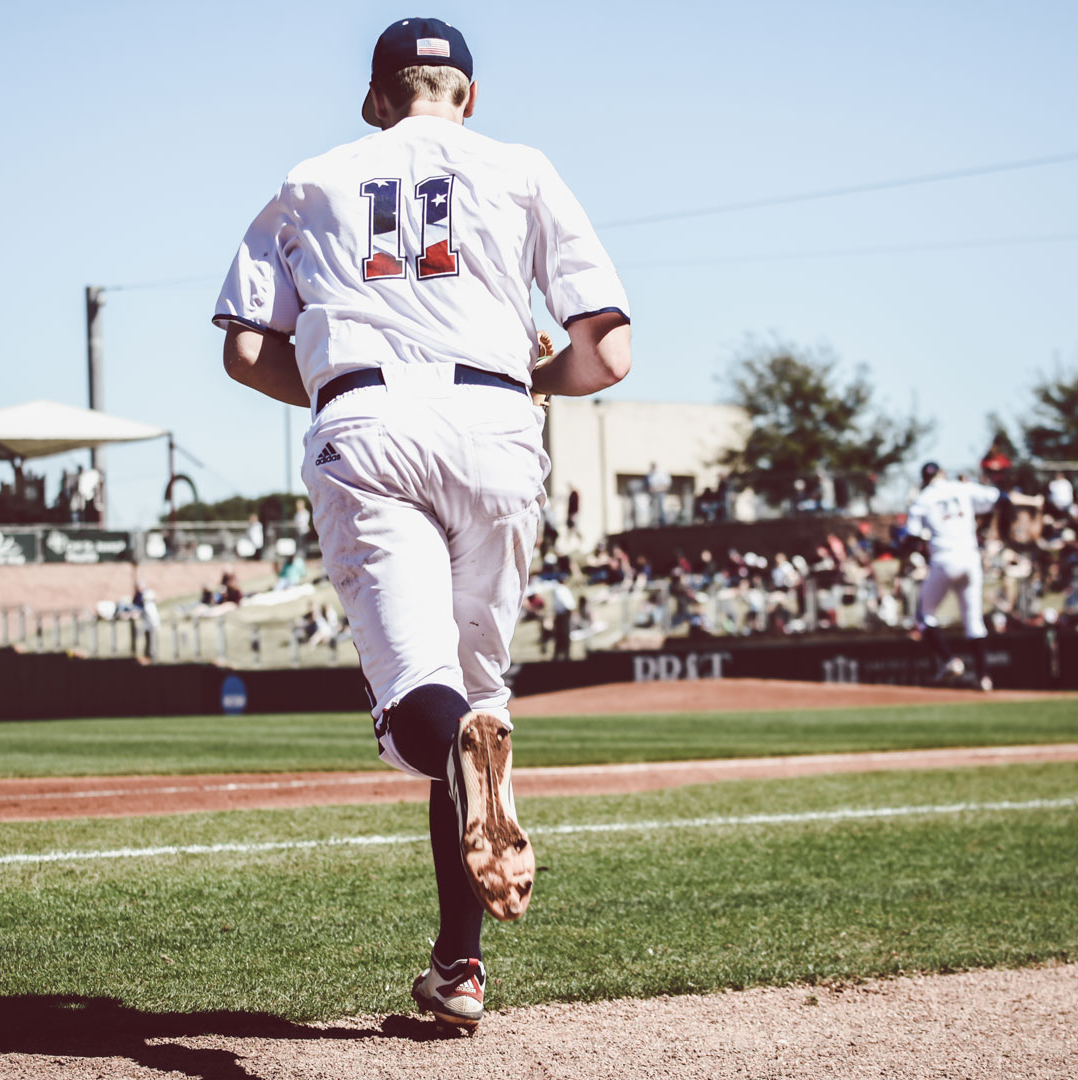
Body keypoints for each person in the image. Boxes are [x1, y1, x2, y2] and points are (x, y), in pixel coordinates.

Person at [211, 15, 631, 1032]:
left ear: (375, 96)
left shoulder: (311, 176)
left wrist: (334, 390)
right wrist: (524, 375)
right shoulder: (523, 167)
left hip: (365, 416)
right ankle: (459, 970)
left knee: (420, 699)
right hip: (494, 421)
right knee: (475, 697)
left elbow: (241, 351)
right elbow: (608, 354)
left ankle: (458, 791)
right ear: (469, 96)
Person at [904, 463, 1039, 690]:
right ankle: (984, 676)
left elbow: (911, 536)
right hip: (970, 558)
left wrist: (909, 553)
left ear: (924, 479)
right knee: (973, 620)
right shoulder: (962, 488)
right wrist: (991, 527)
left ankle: (949, 660)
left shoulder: (923, 498)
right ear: (942, 473)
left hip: (943, 559)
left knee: (924, 616)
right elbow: (1002, 498)